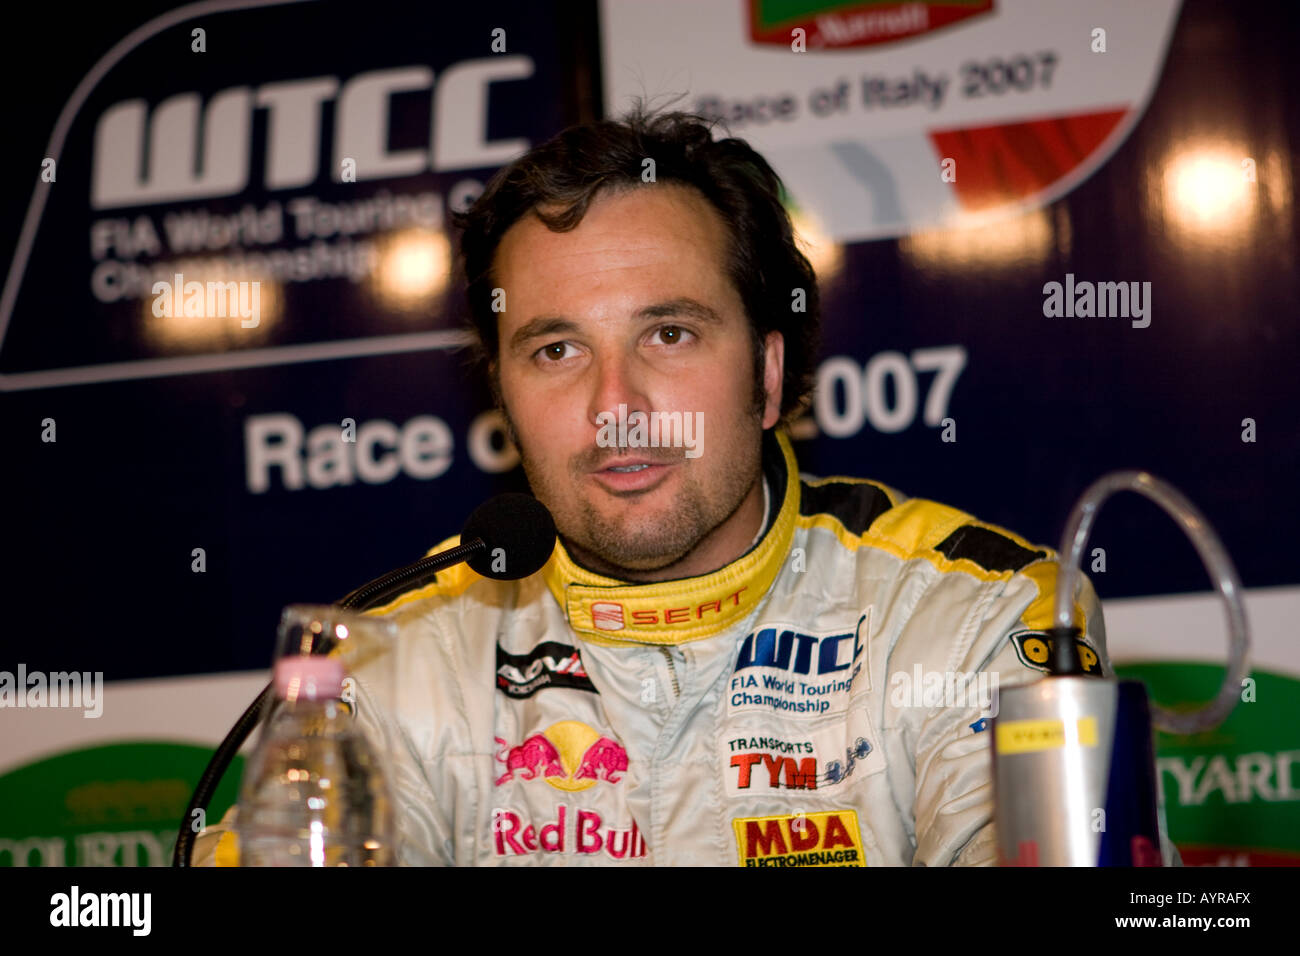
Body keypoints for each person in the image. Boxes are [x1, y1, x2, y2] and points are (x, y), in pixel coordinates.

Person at [198, 108, 1122, 867]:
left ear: (766, 376)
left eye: (668, 334)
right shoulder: (390, 655)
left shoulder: (975, 615)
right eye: (557, 350)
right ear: (505, 400)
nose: (615, 406)